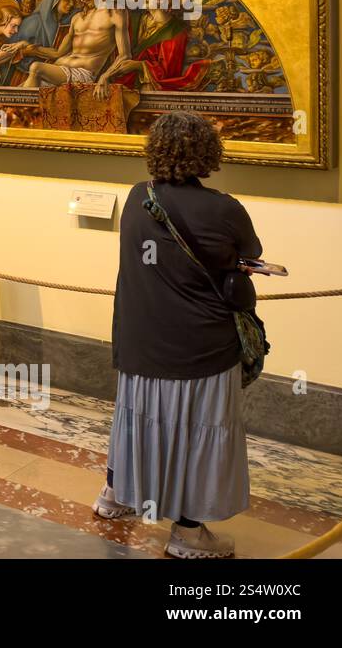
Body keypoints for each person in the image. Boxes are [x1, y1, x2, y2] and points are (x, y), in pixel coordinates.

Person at [95, 111, 260, 558]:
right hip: (201, 344)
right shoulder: (224, 208)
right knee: (199, 431)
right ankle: (187, 532)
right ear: (209, 153)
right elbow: (250, 254)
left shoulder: (136, 197)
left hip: (140, 336)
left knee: (137, 416)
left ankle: (114, 495)